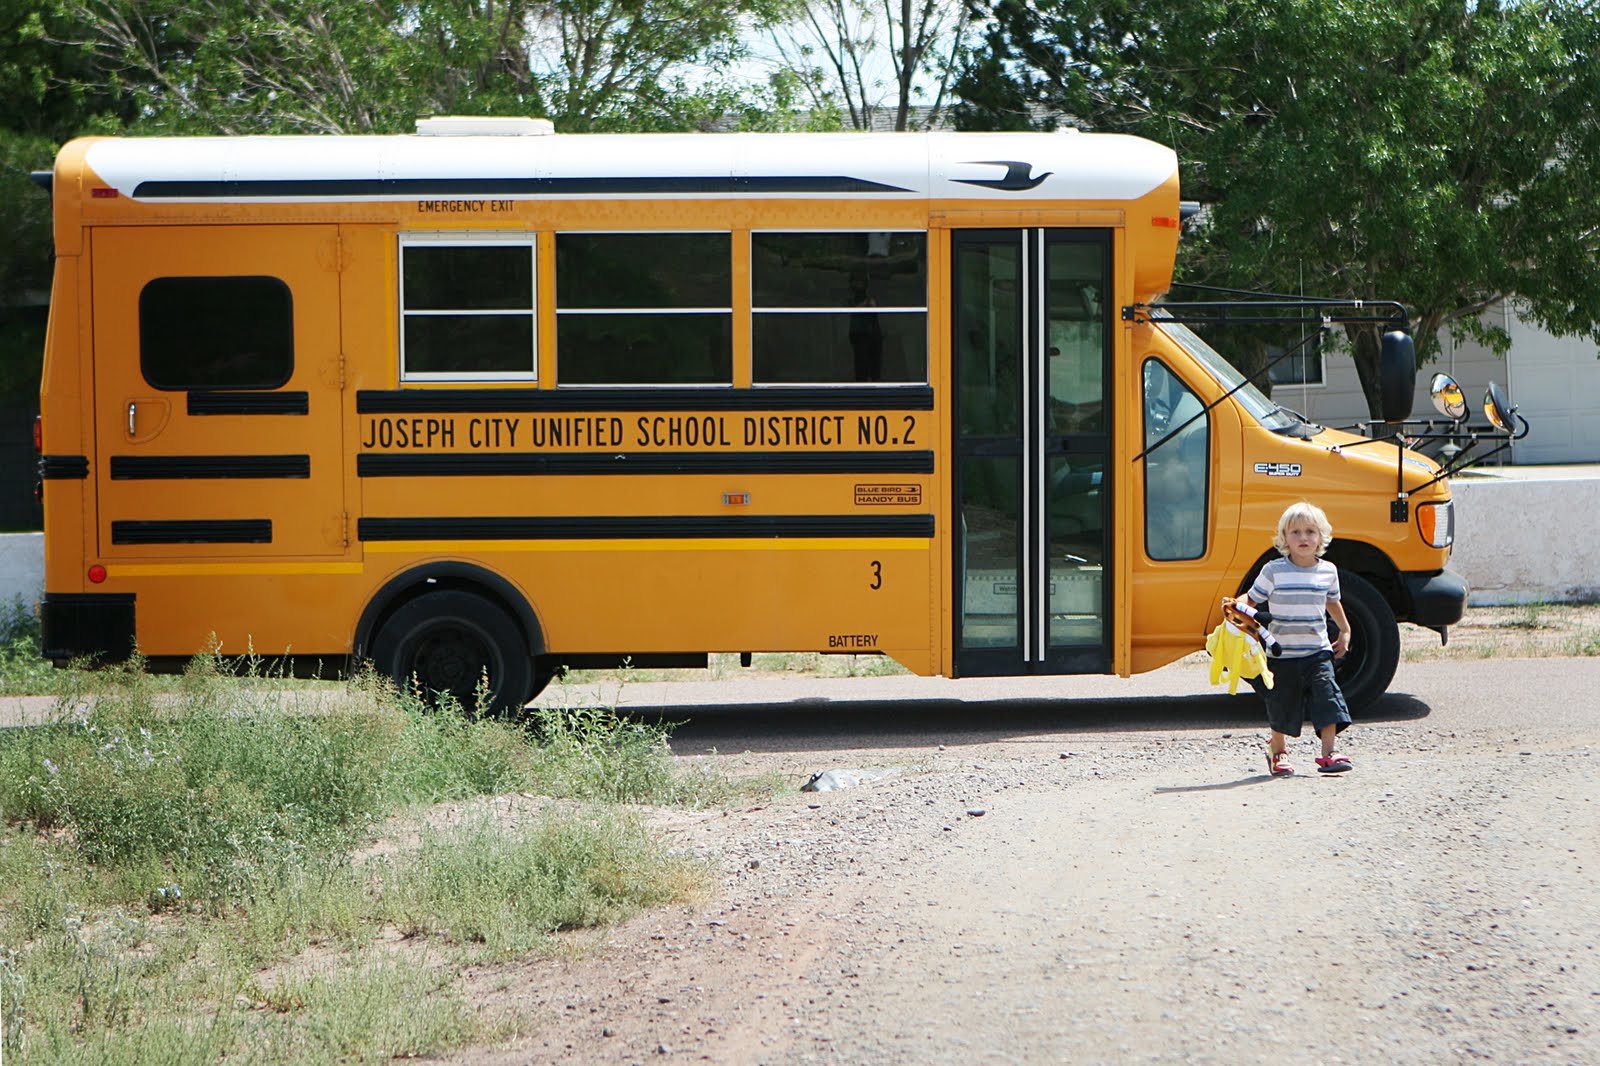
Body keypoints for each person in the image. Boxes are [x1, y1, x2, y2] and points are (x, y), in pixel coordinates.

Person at [1242, 501, 1354, 775]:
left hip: (1318, 650)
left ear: (1321, 537)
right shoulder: (1273, 571)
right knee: (1281, 703)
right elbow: (1253, 599)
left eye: (1310, 532)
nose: (1303, 538)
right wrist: (1237, 605)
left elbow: (1333, 603)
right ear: (1284, 539)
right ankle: (1278, 750)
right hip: (1282, 654)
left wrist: (1345, 629)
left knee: (1328, 696)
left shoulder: (1328, 571)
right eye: (1295, 532)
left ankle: (1329, 752)